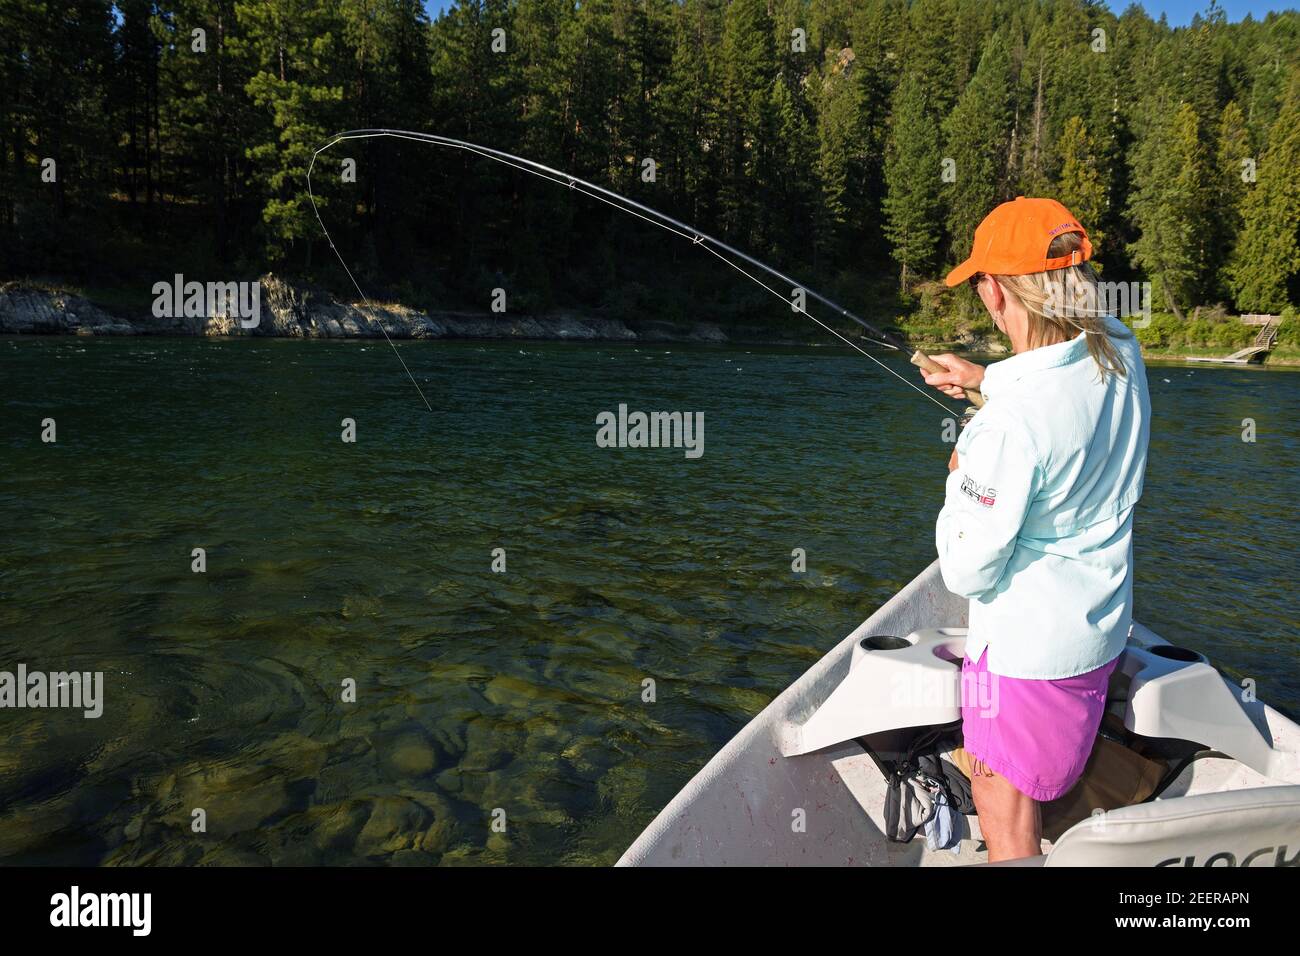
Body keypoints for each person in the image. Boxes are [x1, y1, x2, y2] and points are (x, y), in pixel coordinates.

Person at [918, 197, 1151, 862]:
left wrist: (961, 472)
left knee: (1002, 804)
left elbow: (967, 568)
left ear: (994, 291)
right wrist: (988, 382)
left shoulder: (1006, 428)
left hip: (1025, 659)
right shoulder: (1122, 351)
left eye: (982, 284)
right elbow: (1063, 399)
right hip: (1098, 629)